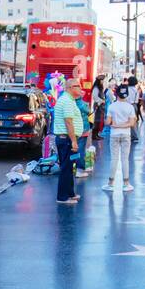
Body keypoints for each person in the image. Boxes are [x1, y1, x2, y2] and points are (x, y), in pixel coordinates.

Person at [53, 77, 84, 205]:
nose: (80, 88)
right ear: (70, 88)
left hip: (67, 139)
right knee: (66, 168)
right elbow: (68, 122)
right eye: (78, 86)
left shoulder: (69, 100)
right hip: (67, 139)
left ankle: (70, 193)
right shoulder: (67, 101)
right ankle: (62, 197)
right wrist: (74, 141)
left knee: (70, 167)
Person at [105, 83, 137, 192]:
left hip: (114, 134)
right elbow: (132, 123)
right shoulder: (130, 107)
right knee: (125, 159)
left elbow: (108, 122)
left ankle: (110, 183)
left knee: (114, 158)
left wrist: (115, 124)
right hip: (126, 134)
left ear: (116, 94)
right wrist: (123, 125)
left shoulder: (112, 106)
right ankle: (126, 184)